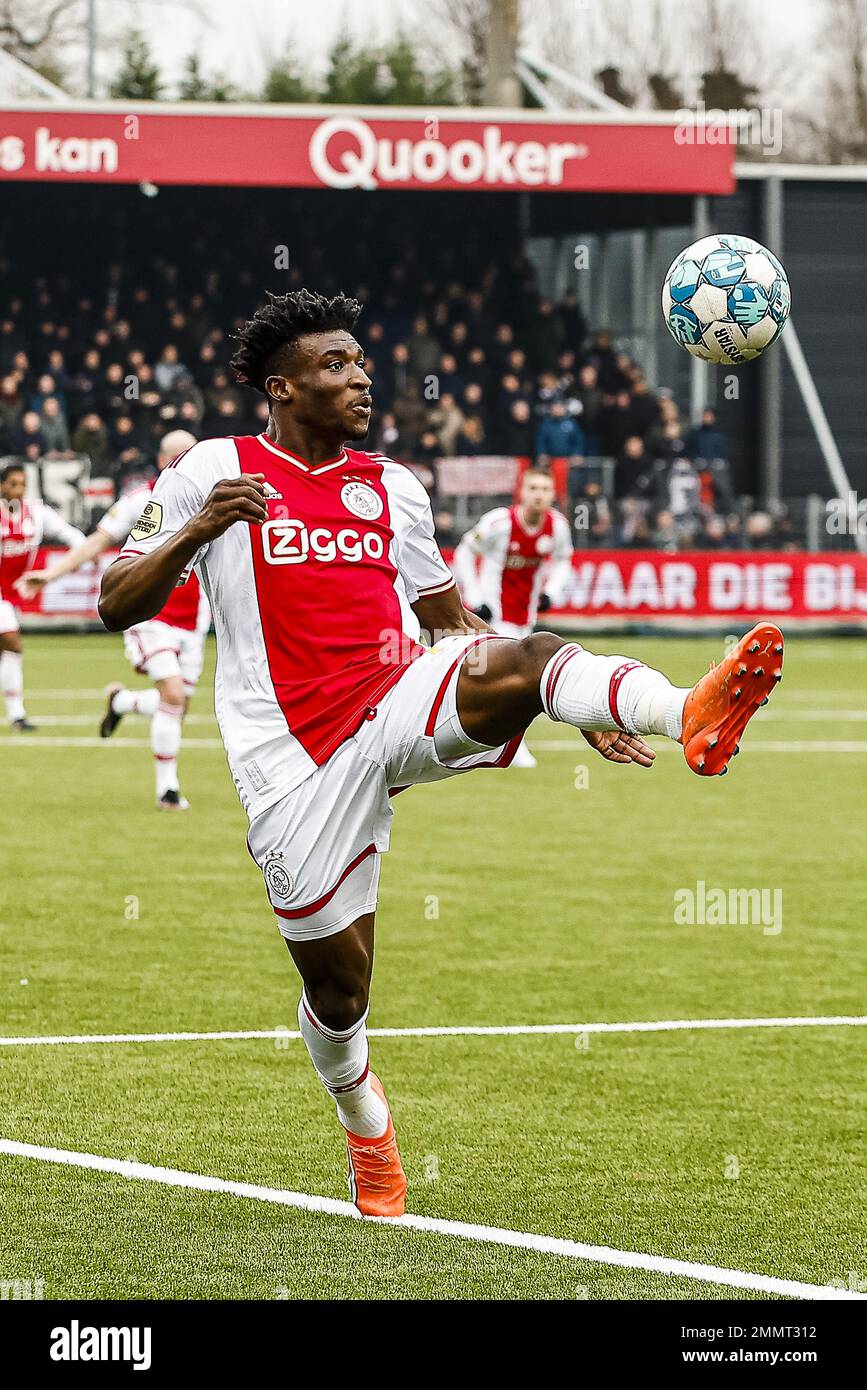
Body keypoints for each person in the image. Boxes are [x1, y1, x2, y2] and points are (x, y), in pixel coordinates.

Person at [97, 289, 785, 1221]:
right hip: (287, 757)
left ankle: (685, 712)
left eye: (360, 362)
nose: (359, 376)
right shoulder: (212, 470)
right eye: (335, 366)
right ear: (281, 387)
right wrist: (196, 528)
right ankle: (366, 1123)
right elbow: (115, 601)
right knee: (339, 990)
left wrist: (554, 697)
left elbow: (450, 623)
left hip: (390, 698)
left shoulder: (395, 485)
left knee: (537, 648)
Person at [18, 430, 207, 809]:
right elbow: (97, 540)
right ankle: (167, 791)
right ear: (163, 460)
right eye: (181, 455)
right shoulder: (142, 500)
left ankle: (122, 702)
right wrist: (51, 575)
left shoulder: (212, 498)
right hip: (150, 615)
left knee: (177, 704)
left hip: (194, 619)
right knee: (172, 695)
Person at [453, 469, 573, 767]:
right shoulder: (499, 523)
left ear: (552, 495)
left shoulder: (557, 527)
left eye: (545, 489)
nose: (538, 494)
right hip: (493, 615)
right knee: (512, 681)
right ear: (522, 491)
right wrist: (476, 597)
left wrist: (552, 592)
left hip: (525, 617)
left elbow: (564, 560)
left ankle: (484, 741)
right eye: (533, 488)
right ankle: (511, 746)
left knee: (495, 679)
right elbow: (465, 553)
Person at [0, 462, 85, 730]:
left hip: (13, 594)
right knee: (13, 644)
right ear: (1, 486)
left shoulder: (36, 513)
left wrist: (83, 551)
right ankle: (17, 714)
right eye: (13, 484)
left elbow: (70, 535)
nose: (19, 489)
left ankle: (16, 715)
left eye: (23, 484)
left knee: (7, 651)